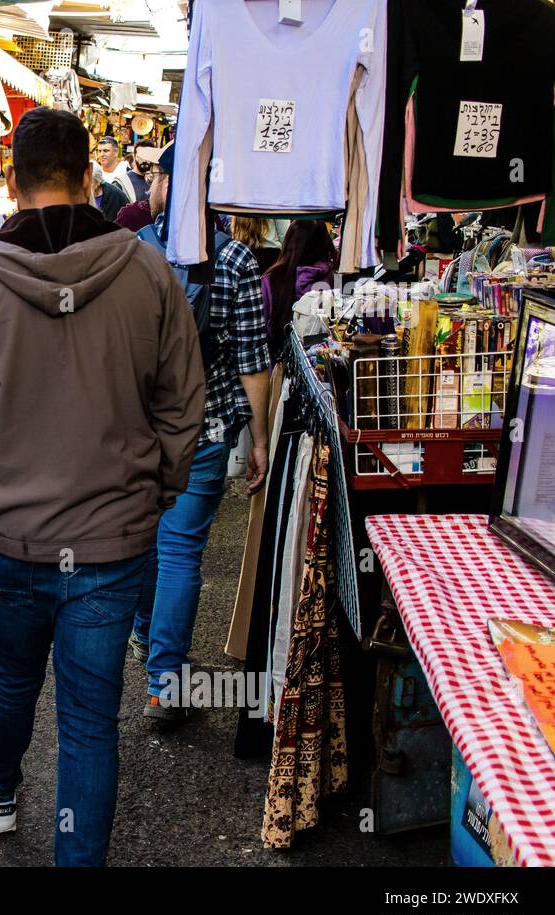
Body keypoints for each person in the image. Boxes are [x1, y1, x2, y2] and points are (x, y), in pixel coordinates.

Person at [0, 108, 206, 866]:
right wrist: (161, 487)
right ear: (88, 179)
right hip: (115, 541)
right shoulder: (149, 272)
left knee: (10, 677)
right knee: (88, 722)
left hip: (11, 537)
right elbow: (184, 402)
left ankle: (1, 791)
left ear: (12, 185)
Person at [132, 143, 272, 723]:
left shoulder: (131, 253)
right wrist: (260, 439)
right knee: (181, 549)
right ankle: (164, 685)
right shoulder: (238, 260)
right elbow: (252, 361)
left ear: (167, 183)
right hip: (206, 426)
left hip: (136, 428)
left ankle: (144, 632)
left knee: (140, 538)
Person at [261, 220, 337, 358]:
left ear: (289, 243)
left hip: (280, 363)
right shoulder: (335, 277)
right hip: (327, 364)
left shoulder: (271, 280)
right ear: (325, 242)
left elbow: (262, 333)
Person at [95, 135, 142, 204]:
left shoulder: (126, 168)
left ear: (116, 152)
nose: (101, 154)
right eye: (99, 151)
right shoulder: (96, 173)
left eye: (106, 151)